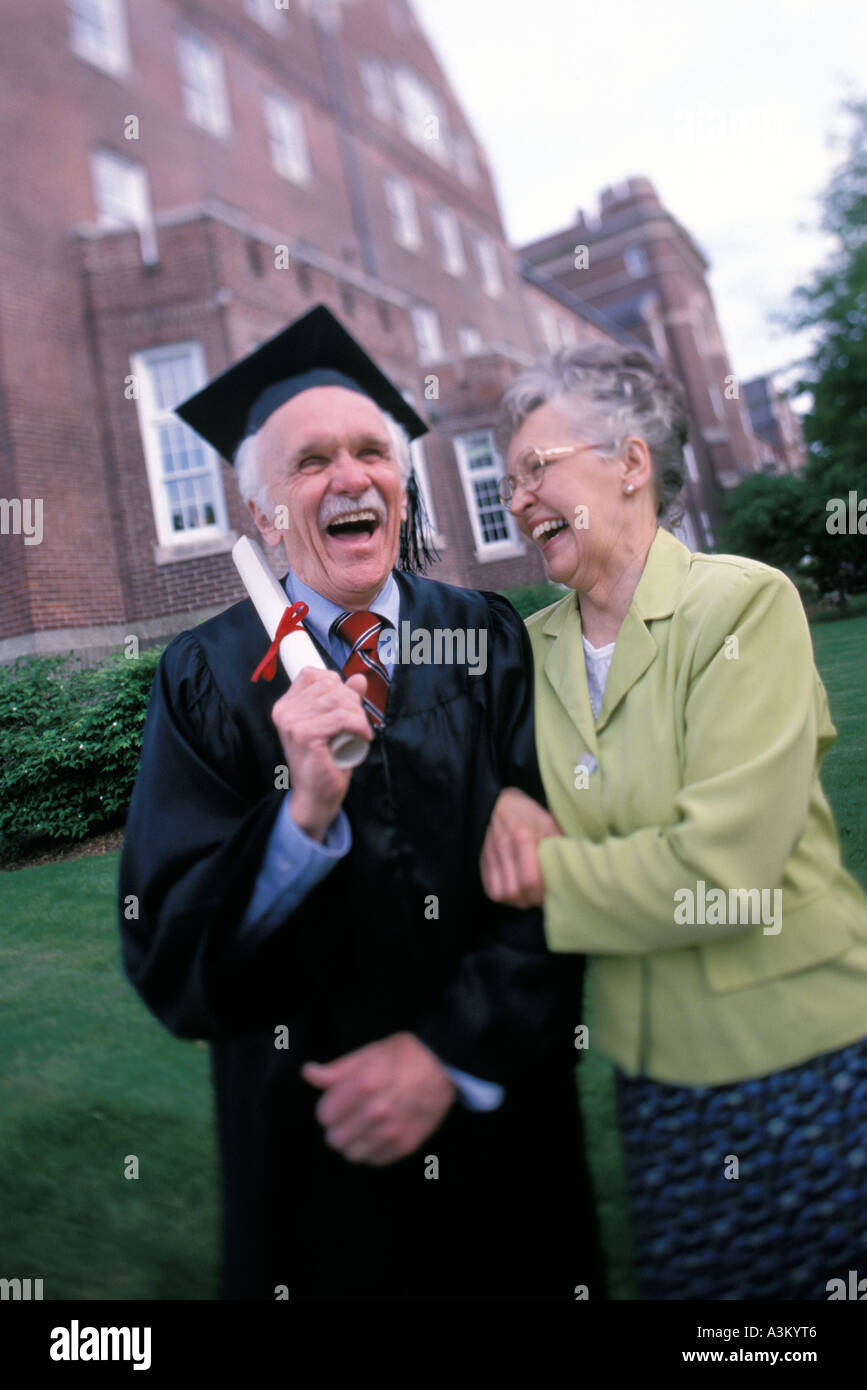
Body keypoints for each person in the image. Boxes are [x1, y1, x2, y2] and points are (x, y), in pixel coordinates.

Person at [118, 304, 603, 1301]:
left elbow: (563, 873)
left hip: (497, 1126)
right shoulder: (206, 678)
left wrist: (447, 1055)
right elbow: (169, 947)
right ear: (263, 514)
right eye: (310, 462)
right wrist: (298, 820)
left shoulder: (485, 639)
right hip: (316, 1146)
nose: (350, 476)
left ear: (400, 480)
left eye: (372, 452)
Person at [481, 342, 867, 1301]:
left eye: (537, 468)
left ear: (629, 462)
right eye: (506, 482)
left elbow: (722, 878)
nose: (516, 498)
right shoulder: (522, 652)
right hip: (650, 1080)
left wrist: (546, 873)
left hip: (803, 1062)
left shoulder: (739, 605)